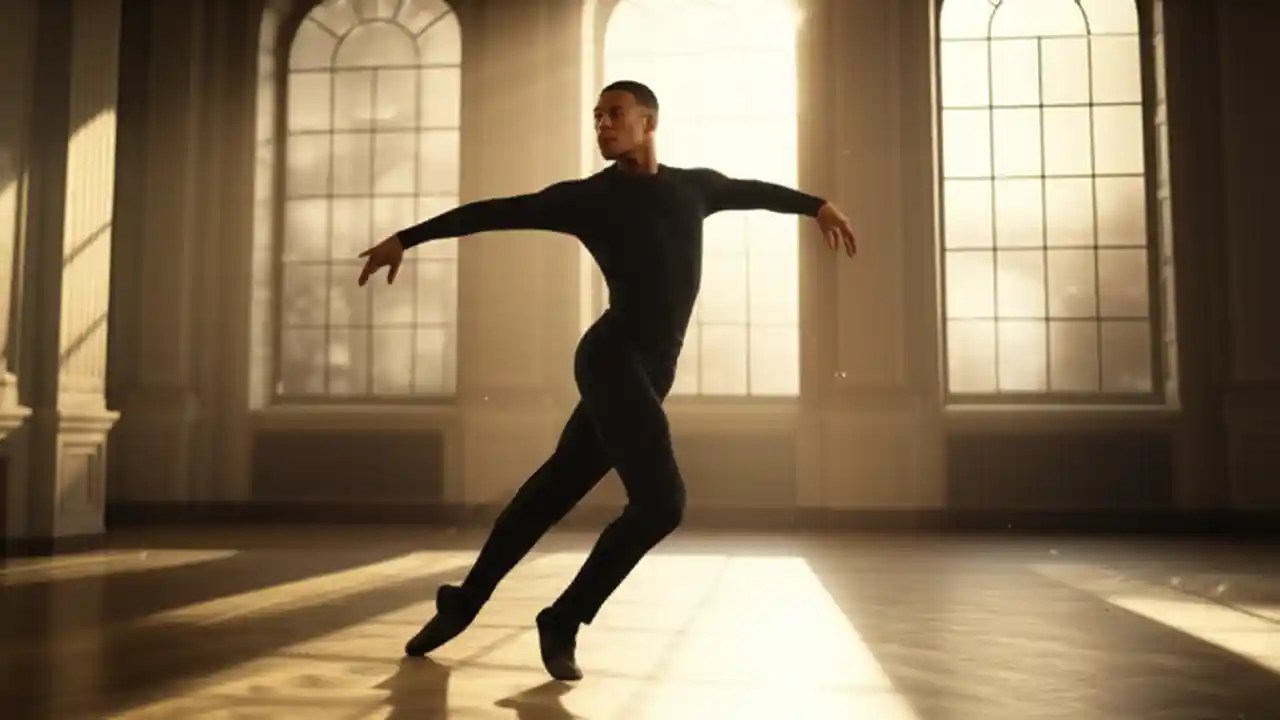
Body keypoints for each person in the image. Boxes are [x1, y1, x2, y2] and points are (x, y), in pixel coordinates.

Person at [356, 80, 857, 681]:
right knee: (663, 502)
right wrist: (406, 238)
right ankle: (563, 619)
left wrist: (817, 204)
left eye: (614, 115)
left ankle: (465, 601)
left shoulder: (695, 187)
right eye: (596, 117)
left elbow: (755, 192)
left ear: (649, 122)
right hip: (609, 358)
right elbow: (496, 211)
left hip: (652, 370)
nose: (602, 125)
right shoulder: (586, 200)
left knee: (553, 490)